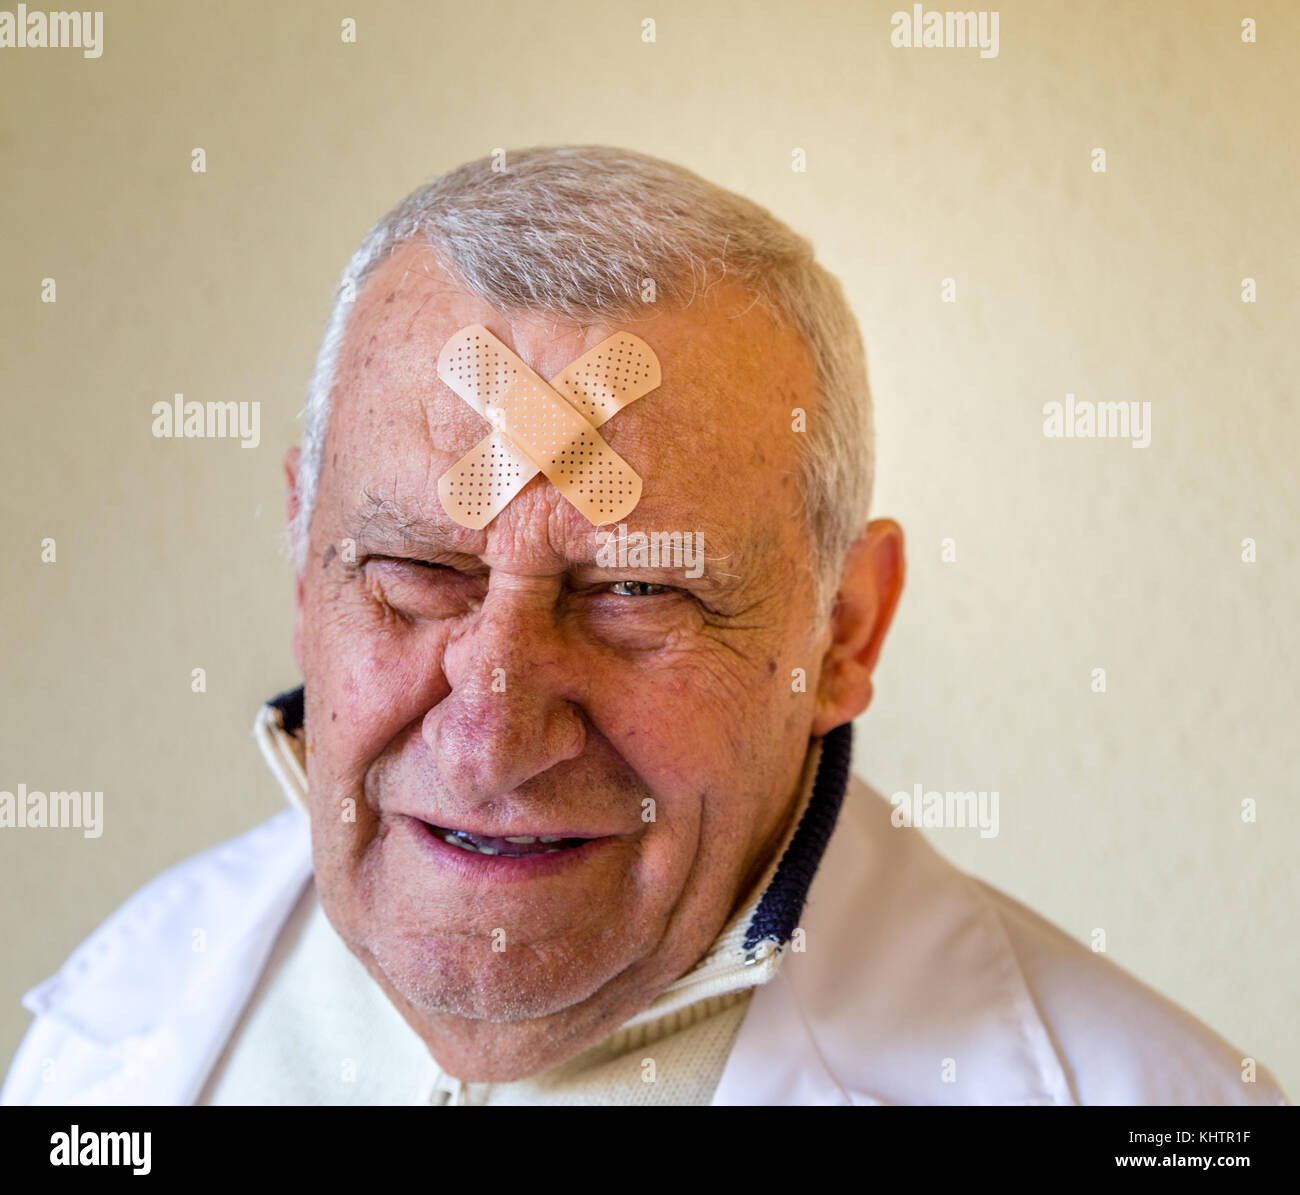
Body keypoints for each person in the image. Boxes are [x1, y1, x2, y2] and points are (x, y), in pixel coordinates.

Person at [2, 146, 1285, 1106]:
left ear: (844, 631)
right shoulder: (112, 1034)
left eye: (635, 592)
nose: (493, 738)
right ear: (301, 560)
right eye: (414, 568)